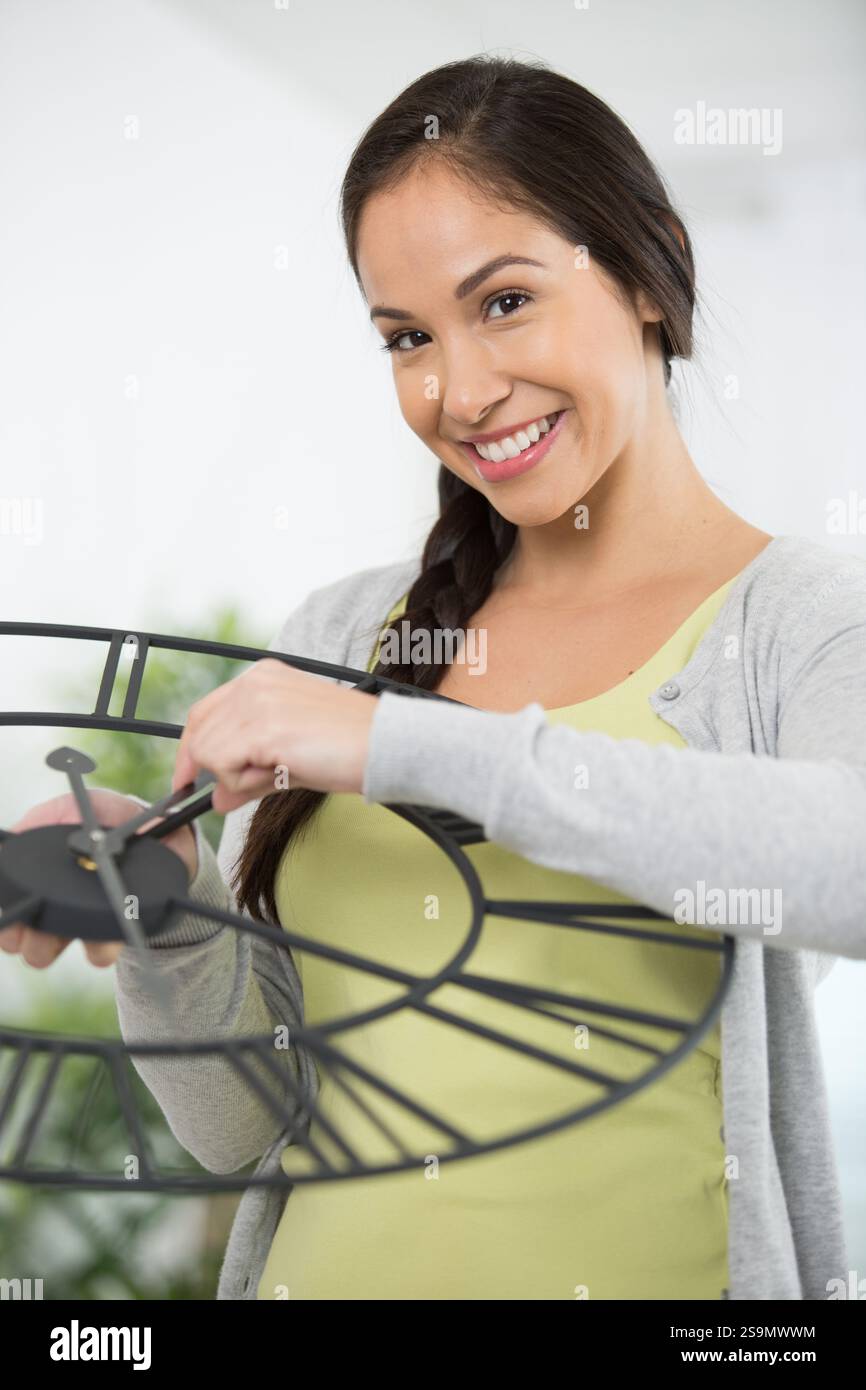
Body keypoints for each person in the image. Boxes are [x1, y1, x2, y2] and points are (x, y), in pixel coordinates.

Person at [3, 55, 864, 1301]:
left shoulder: (799, 621)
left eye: (503, 301)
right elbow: (239, 1129)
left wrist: (399, 747)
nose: (454, 391)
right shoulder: (346, 631)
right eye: (405, 336)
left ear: (649, 270)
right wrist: (164, 902)